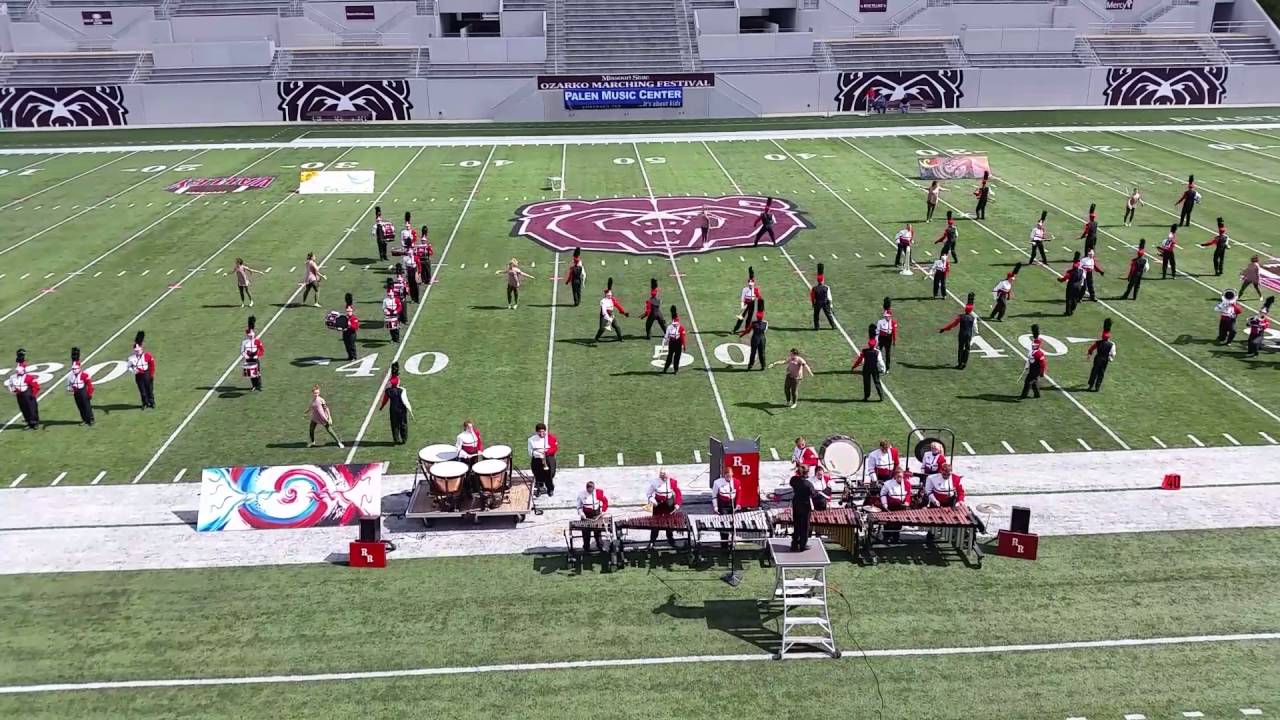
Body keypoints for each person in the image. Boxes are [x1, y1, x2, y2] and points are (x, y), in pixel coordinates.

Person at [938, 292, 979, 369]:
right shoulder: (973, 318)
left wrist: (944, 329)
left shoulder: (961, 317)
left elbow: (952, 325)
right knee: (967, 349)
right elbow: (976, 329)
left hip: (962, 334)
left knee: (960, 348)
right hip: (969, 335)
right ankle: (964, 363)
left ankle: (960, 363)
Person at [645, 469, 683, 547]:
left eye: (665, 476)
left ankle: (670, 539)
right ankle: (652, 540)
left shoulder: (672, 482)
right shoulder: (655, 482)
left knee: (669, 523)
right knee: (655, 523)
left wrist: (677, 504)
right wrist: (652, 500)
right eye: (662, 476)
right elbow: (649, 493)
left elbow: (678, 493)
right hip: (658, 504)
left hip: (669, 504)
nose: (664, 478)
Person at [378, 363, 412, 444]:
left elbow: (385, 400)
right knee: (403, 423)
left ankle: (396, 439)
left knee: (394, 424)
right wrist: (409, 409)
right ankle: (404, 439)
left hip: (393, 409)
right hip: (401, 409)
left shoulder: (388, 391)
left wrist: (382, 407)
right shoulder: (402, 390)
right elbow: (405, 400)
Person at [5, 349, 40, 429]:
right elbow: (10, 384)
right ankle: (28, 422)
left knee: (32, 408)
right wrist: (13, 391)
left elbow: (36, 386)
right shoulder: (13, 377)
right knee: (23, 408)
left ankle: (35, 423)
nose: (18, 371)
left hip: (28, 393)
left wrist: (33, 394)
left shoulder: (28, 377)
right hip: (19, 394)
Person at [851, 324, 885, 402]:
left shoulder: (865, 351)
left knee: (866, 383)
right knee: (877, 381)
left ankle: (866, 396)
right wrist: (883, 369)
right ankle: (881, 396)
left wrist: (854, 366)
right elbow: (880, 361)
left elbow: (859, 360)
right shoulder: (877, 352)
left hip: (866, 368)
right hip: (874, 368)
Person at [576, 481, 609, 553]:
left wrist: (603, 511)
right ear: (586, 488)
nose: (590, 491)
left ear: (594, 488)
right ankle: (586, 548)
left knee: (598, 531)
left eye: (592, 489)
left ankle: (600, 546)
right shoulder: (581, 494)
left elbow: (605, 502)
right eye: (589, 490)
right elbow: (579, 505)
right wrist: (581, 513)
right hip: (586, 515)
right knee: (586, 532)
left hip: (596, 514)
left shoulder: (598, 492)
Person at [710, 469, 740, 550]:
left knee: (733, 525)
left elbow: (739, 495)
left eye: (730, 476)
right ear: (724, 475)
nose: (729, 478)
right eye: (727, 476)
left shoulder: (736, 482)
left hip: (732, 505)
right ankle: (724, 545)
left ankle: (732, 542)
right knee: (724, 526)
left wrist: (737, 505)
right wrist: (715, 507)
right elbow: (714, 496)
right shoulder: (717, 482)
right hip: (723, 506)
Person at [527, 422, 558, 497]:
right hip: (537, 459)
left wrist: (547, 452)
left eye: (543, 431)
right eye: (539, 432)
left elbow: (555, 448)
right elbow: (530, 452)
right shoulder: (531, 440)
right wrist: (538, 454)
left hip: (548, 458)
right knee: (538, 474)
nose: (541, 433)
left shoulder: (550, 438)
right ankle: (540, 488)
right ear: (536, 432)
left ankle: (550, 489)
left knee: (549, 474)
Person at [126, 331, 155, 409]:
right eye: (136, 350)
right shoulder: (131, 358)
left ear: (141, 349)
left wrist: (151, 375)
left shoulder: (147, 355)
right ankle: (145, 403)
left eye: (138, 350)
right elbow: (128, 367)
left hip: (146, 374)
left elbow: (152, 365)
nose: (137, 352)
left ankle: (152, 402)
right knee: (142, 391)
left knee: (149, 389)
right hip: (139, 376)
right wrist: (134, 371)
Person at [1085, 318, 1116, 392]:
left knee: (1094, 371)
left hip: (1098, 358)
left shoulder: (1098, 343)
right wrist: (1110, 358)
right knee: (1101, 373)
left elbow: (1091, 349)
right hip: (1105, 360)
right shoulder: (1111, 344)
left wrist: (1089, 354)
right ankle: (1097, 387)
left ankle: (1090, 385)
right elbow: (1113, 354)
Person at [788, 465, 814, 551]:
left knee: (797, 524)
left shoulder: (794, 480)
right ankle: (803, 545)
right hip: (805, 506)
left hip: (796, 504)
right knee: (805, 526)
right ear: (806, 473)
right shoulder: (808, 484)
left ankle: (794, 544)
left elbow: (792, 482)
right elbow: (813, 494)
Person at [66, 347, 94, 426]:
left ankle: (90, 419)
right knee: (80, 406)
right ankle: (84, 419)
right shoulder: (71, 376)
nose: (74, 370)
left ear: (79, 368)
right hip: (76, 392)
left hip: (83, 391)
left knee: (87, 406)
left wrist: (89, 393)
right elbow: (69, 384)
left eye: (75, 369)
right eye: (73, 369)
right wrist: (70, 390)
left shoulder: (84, 375)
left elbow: (90, 385)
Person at [1020, 325, 1047, 400]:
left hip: (1036, 369)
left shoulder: (1039, 353)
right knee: (1034, 381)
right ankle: (1037, 394)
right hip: (1033, 368)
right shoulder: (1035, 351)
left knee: (1028, 381)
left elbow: (1043, 364)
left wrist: (1042, 372)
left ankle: (1024, 395)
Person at [733, 267, 761, 334]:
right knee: (741, 317)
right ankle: (735, 329)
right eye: (750, 285)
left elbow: (759, 297)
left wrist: (757, 298)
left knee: (750, 316)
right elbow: (742, 298)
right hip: (746, 303)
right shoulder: (745, 289)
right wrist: (742, 306)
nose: (751, 286)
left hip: (752, 303)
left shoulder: (755, 290)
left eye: (752, 285)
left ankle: (746, 329)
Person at [240, 316, 264, 392]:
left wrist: (257, 355)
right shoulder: (245, 342)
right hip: (248, 358)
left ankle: (259, 385)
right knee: (251, 373)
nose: (251, 336)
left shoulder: (257, 341)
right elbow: (242, 351)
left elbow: (262, 350)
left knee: (258, 372)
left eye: (252, 335)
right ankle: (254, 385)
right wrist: (245, 355)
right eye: (249, 335)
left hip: (255, 357)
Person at [1058, 251, 1086, 316]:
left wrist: (1059, 279)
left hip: (1071, 286)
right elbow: (1084, 277)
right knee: (1075, 299)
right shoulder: (1082, 271)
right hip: (1078, 286)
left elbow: (1064, 279)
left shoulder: (1070, 272)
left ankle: (1068, 312)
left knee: (1069, 299)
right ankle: (1072, 310)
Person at [662, 306, 686, 374]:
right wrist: (684, 346)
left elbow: (666, 337)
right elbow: (682, 338)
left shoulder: (670, 327)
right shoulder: (681, 328)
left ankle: (665, 369)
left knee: (670, 356)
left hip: (672, 342)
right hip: (677, 343)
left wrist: (664, 343)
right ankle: (675, 370)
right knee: (676, 357)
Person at [810, 263, 835, 330]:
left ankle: (817, 327)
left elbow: (812, 297)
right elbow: (829, 297)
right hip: (825, 302)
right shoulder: (826, 287)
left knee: (816, 315)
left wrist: (813, 303)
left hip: (817, 303)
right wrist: (830, 305)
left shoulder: (814, 288)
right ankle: (833, 326)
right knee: (828, 314)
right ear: (823, 280)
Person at [876, 297, 898, 372]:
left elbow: (894, 331)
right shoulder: (890, 322)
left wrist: (894, 340)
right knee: (880, 351)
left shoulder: (892, 322)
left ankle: (886, 367)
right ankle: (880, 366)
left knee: (885, 353)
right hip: (884, 337)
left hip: (887, 338)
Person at [382, 278, 403, 344]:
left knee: (396, 327)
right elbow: (384, 307)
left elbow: (400, 307)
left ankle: (397, 338)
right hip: (388, 315)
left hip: (395, 314)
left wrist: (396, 311)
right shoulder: (385, 300)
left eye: (391, 295)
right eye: (389, 295)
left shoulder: (396, 300)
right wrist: (385, 311)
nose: (390, 296)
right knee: (390, 328)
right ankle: (393, 338)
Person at [341, 293, 359, 362]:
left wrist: (349, 325)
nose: (349, 312)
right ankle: (349, 356)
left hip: (351, 334)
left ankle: (354, 357)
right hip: (345, 333)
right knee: (347, 345)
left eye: (350, 311)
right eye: (347, 311)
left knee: (351, 345)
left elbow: (356, 327)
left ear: (352, 311)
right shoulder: (344, 318)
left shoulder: (354, 318)